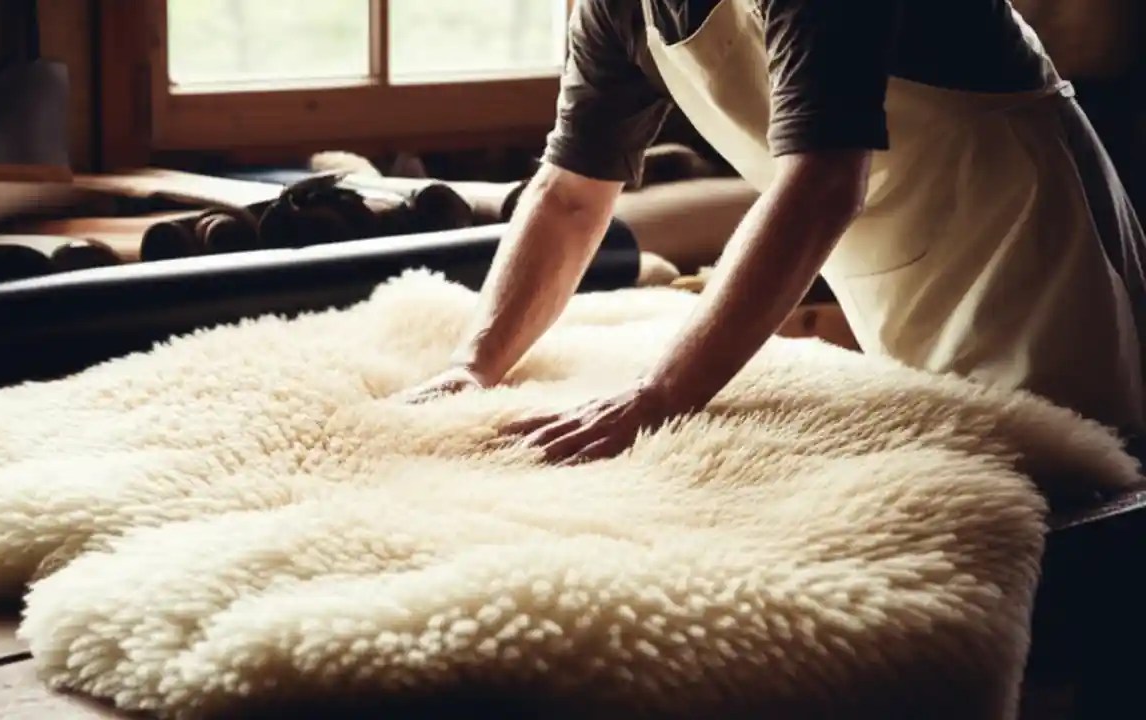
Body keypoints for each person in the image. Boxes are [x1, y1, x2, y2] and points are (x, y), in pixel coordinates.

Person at [401, 0, 1146, 466]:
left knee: (1076, 497)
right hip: (891, 267)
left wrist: (661, 394)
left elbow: (822, 182)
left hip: (1032, 245)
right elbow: (567, 197)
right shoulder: (615, 10)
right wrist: (476, 365)